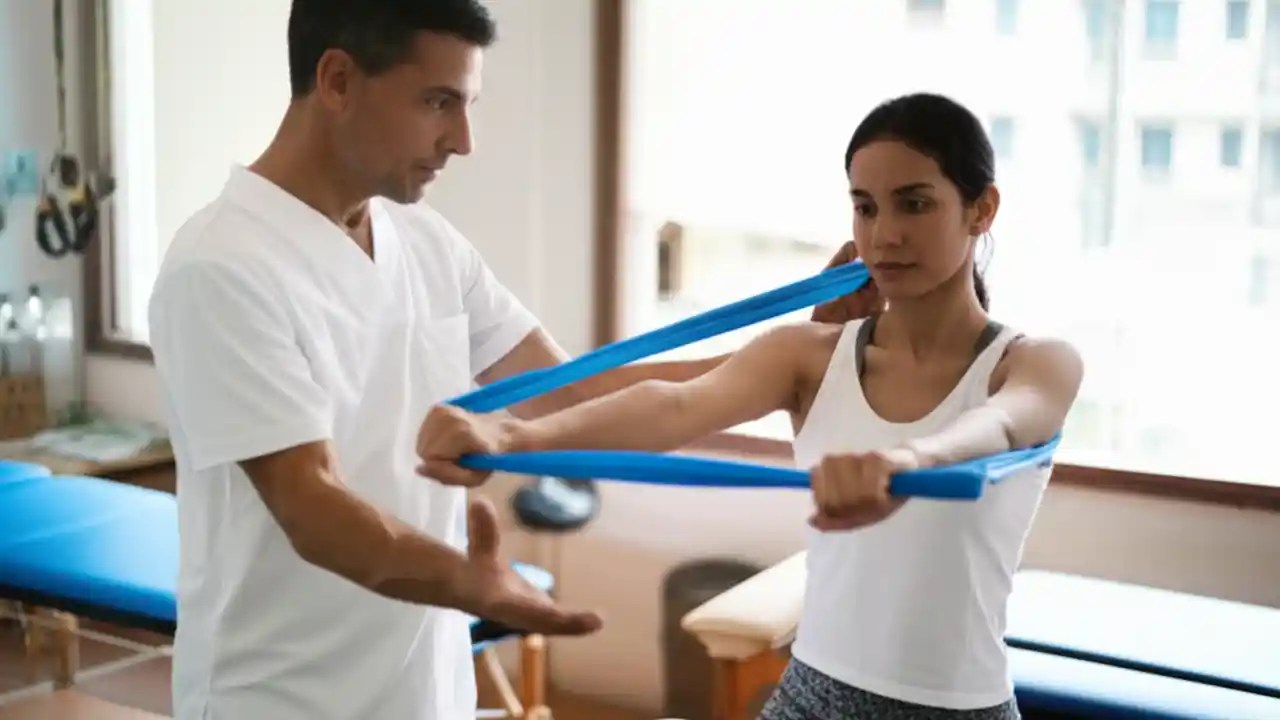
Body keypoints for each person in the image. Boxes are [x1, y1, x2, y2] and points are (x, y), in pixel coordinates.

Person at [145, 2, 866, 718]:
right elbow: (312, 506)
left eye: (468, 105)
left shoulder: (426, 243)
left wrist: (792, 358)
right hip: (278, 702)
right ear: (337, 80)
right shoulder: (223, 267)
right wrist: (465, 582)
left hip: (424, 696)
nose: (462, 140)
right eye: (439, 102)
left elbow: (580, 395)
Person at [420, 93, 1085, 719]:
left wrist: (902, 461)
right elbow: (672, 406)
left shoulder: (1034, 363)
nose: (883, 235)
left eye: (914, 204)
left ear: (981, 209)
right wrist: (507, 437)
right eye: (865, 206)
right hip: (813, 694)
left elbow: (998, 424)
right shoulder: (807, 354)